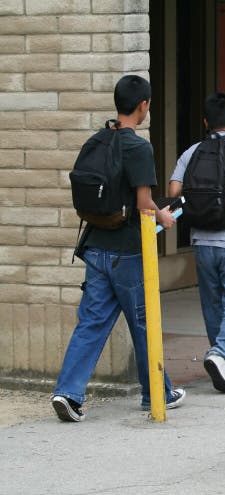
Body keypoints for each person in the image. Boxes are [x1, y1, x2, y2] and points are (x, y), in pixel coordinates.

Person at [51, 74, 184, 422]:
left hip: (94, 244)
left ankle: (68, 393)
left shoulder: (97, 139)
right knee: (143, 322)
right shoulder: (137, 147)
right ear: (144, 106)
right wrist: (163, 217)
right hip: (127, 250)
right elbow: (143, 203)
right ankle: (156, 393)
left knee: (91, 322)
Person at [168, 92, 225, 394]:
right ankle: (223, 355)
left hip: (201, 239)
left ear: (206, 122)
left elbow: (175, 189)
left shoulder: (193, 151)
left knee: (213, 302)